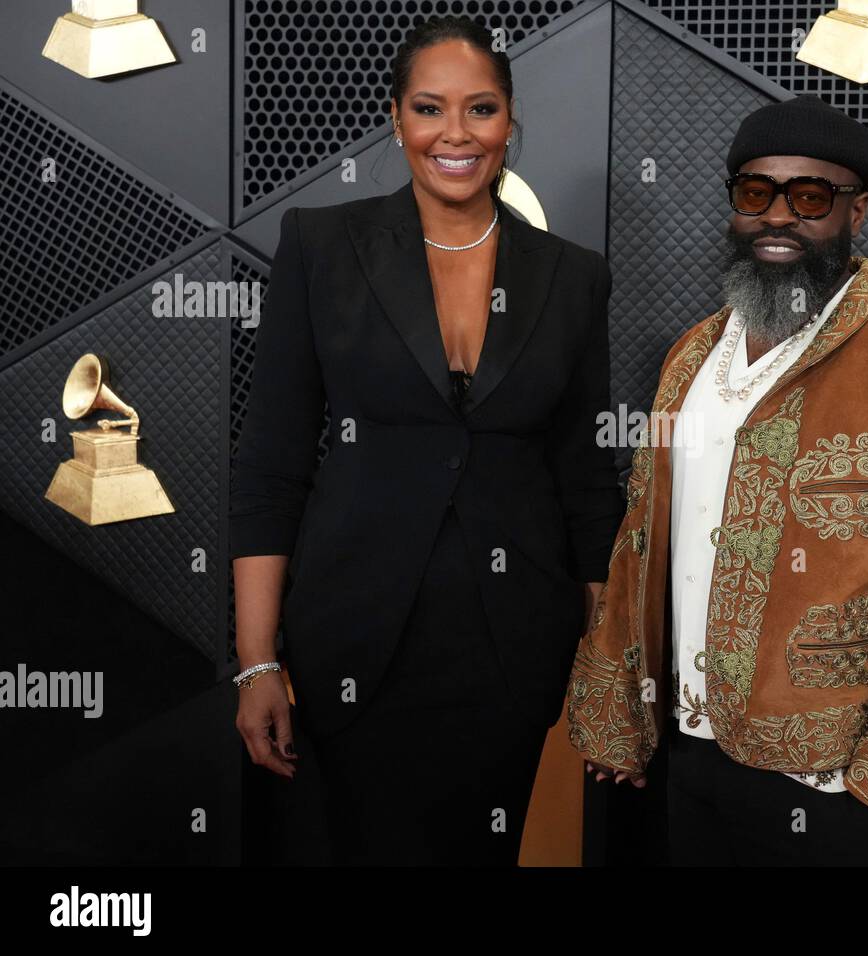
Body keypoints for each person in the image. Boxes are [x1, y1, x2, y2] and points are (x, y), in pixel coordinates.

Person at [565, 94, 868, 865]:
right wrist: (618, 711)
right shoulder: (691, 355)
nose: (778, 217)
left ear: (858, 210)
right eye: (756, 192)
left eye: (810, 196)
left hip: (827, 779)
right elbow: (639, 544)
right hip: (681, 754)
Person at [230, 15, 621, 866]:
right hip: (351, 644)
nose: (455, 134)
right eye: (429, 108)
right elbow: (271, 465)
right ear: (397, 118)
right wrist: (257, 663)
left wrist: (599, 660)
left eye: (480, 109)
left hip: (508, 654)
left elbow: (588, 479)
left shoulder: (572, 277)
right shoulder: (320, 248)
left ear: (510, 121)